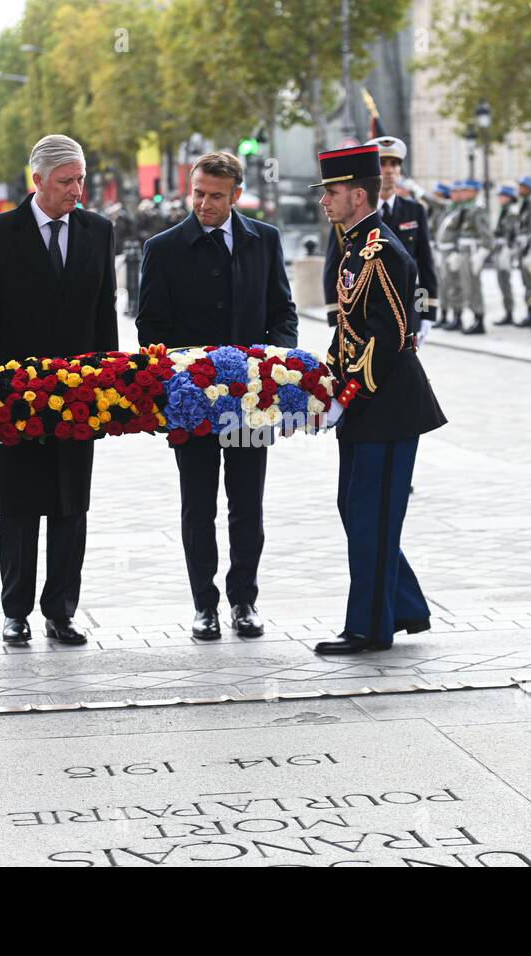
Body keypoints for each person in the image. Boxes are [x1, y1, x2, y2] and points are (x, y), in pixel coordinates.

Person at [0, 134, 118, 647]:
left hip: (79, 398)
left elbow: (104, 313)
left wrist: (107, 384)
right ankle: (15, 611)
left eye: (81, 180)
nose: (77, 190)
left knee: (71, 507)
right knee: (19, 505)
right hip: (18, 398)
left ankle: (62, 610)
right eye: (66, 181)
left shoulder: (99, 231)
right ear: (37, 182)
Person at [136, 151, 298, 641]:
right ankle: (203, 605)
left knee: (247, 504)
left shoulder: (263, 241)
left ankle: (244, 601)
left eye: (216, 196)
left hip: (251, 402)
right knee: (197, 504)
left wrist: (275, 365)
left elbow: (283, 311)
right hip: (192, 404)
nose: (204, 203)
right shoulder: (163, 248)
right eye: (198, 193)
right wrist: (182, 381)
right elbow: (150, 328)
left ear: (237, 196)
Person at [310, 144, 446, 655]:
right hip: (366, 404)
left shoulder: (382, 250)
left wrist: (346, 394)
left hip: (387, 406)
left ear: (358, 194)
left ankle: (369, 627)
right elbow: (349, 330)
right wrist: (320, 380)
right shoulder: (354, 244)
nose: (325, 200)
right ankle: (404, 605)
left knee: (372, 513)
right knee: (357, 506)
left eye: (332, 191)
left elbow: (386, 338)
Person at [369, 136, 439, 342]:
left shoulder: (414, 211)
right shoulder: (356, 212)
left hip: (407, 310)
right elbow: (337, 262)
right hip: (366, 312)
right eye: (382, 163)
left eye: (395, 164)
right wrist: (336, 314)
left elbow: (425, 263)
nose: (389, 170)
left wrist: (426, 313)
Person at [432, 180, 491, 334]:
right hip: (462, 251)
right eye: (462, 190)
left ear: (475, 192)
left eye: (466, 190)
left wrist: (481, 254)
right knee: (464, 286)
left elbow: (486, 236)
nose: (463, 193)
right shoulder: (465, 209)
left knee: (473, 287)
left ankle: (479, 320)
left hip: (472, 252)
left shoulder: (477, 210)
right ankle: (469, 318)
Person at [514, 176, 531, 329]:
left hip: (529, 247)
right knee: (526, 284)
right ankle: (530, 313)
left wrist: (530, 250)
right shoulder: (523, 203)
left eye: (522, 186)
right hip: (522, 246)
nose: (519, 189)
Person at [491, 184, 520, 327]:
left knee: (505, 282)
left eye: (502, 196)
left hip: (506, 249)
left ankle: (510, 313)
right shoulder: (505, 210)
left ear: (508, 197)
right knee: (502, 282)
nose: (499, 199)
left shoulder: (512, 212)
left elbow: (512, 233)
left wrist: (509, 250)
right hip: (500, 248)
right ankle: (507, 312)